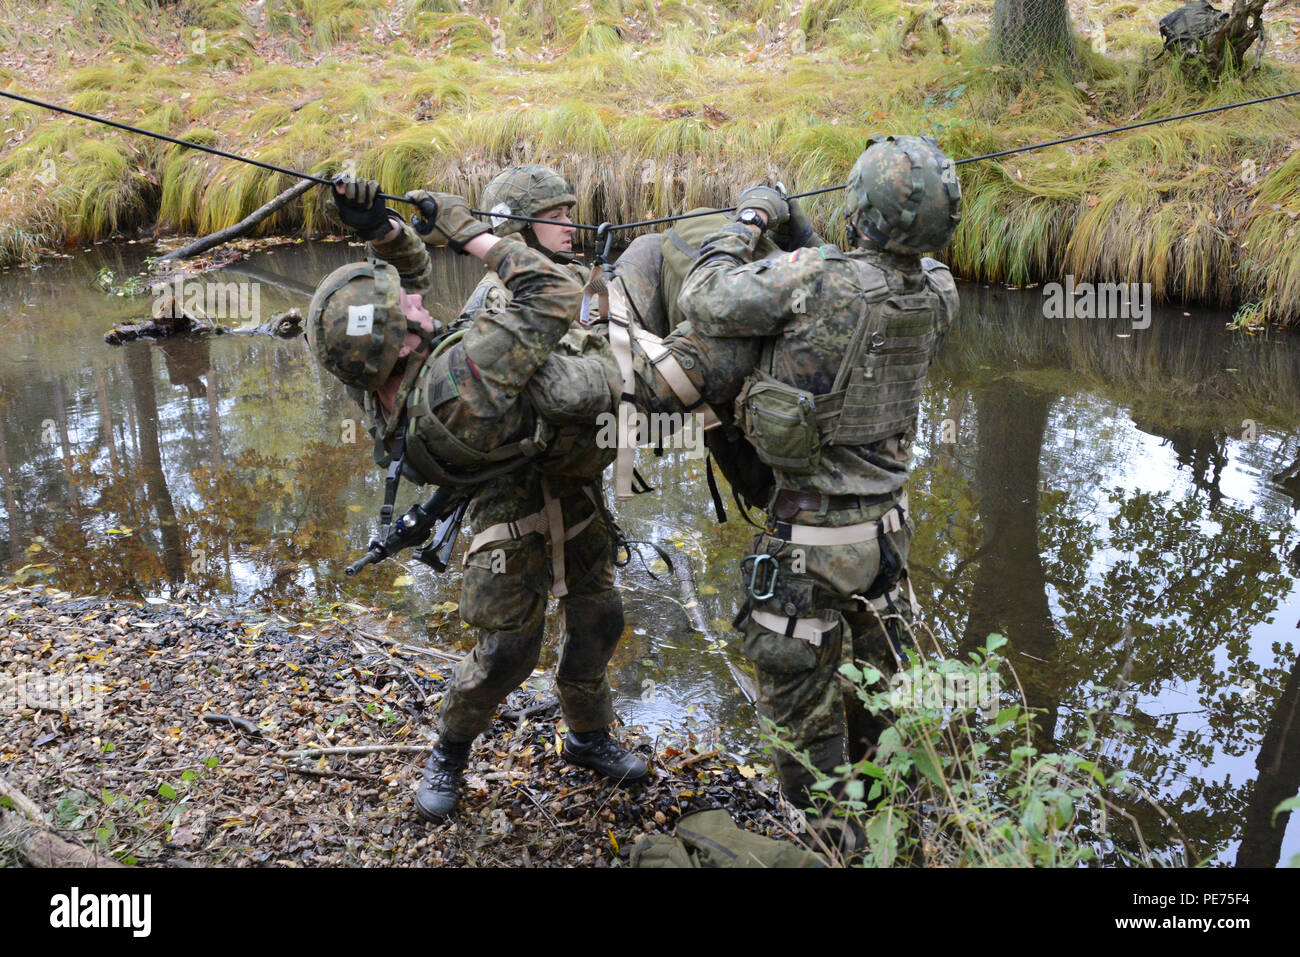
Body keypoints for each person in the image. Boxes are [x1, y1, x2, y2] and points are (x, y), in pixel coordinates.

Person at [306, 172, 649, 825]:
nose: (419, 304)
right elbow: (555, 292)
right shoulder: (461, 377)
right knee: (506, 652)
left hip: (566, 476)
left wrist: (378, 229)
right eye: (408, 313)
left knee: (599, 614)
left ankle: (587, 734)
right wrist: (466, 230)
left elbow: (404, 281)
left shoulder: (362, 362)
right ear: (399, 344)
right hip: (505, 492)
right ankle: (449, 752)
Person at [675, 136, 962, 828]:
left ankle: (827, 842)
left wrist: (748, 220)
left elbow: (703, 295)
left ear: (860, 213)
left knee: (806, 736)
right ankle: (886, 834)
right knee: (882, 720)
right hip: (885, 542)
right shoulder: (941, 293)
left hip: (804, 553)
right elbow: (858, 272)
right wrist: (801, 230)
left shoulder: (812, 280)